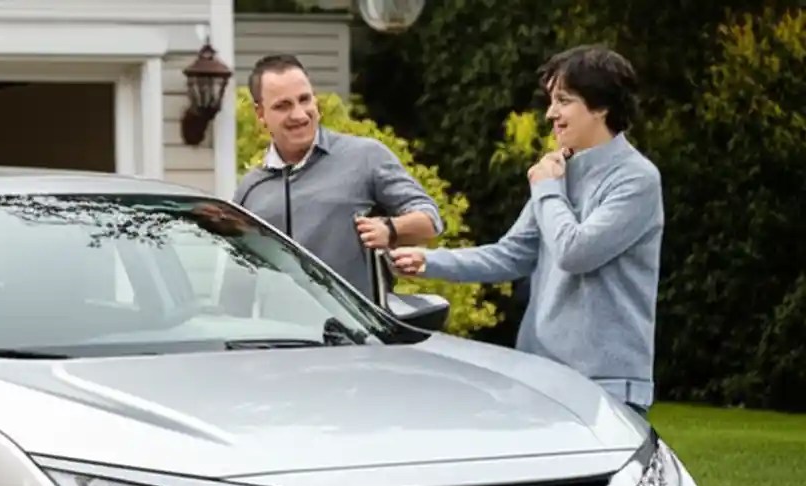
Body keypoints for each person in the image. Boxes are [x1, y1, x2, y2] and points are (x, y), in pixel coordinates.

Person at [389, 45, 662, 417]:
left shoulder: (636, 179)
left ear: (601, 107)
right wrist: (426, 261)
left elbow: (575, 252)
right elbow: (512, 254)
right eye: (551, 101)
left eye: (564, 100)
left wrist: (547, 188)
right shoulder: (558, 170)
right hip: (541, 374)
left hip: (606, 384)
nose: (551, 113)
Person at [233, 53, 443, 298]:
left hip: (354, 333)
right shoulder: (251, 188)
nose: (299, 115)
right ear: (260, 114)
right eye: (283, 106)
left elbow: (430, 220)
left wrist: (390, 229)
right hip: (278, 331)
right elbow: (238, 271)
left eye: (304, 100)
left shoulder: (365, 156)